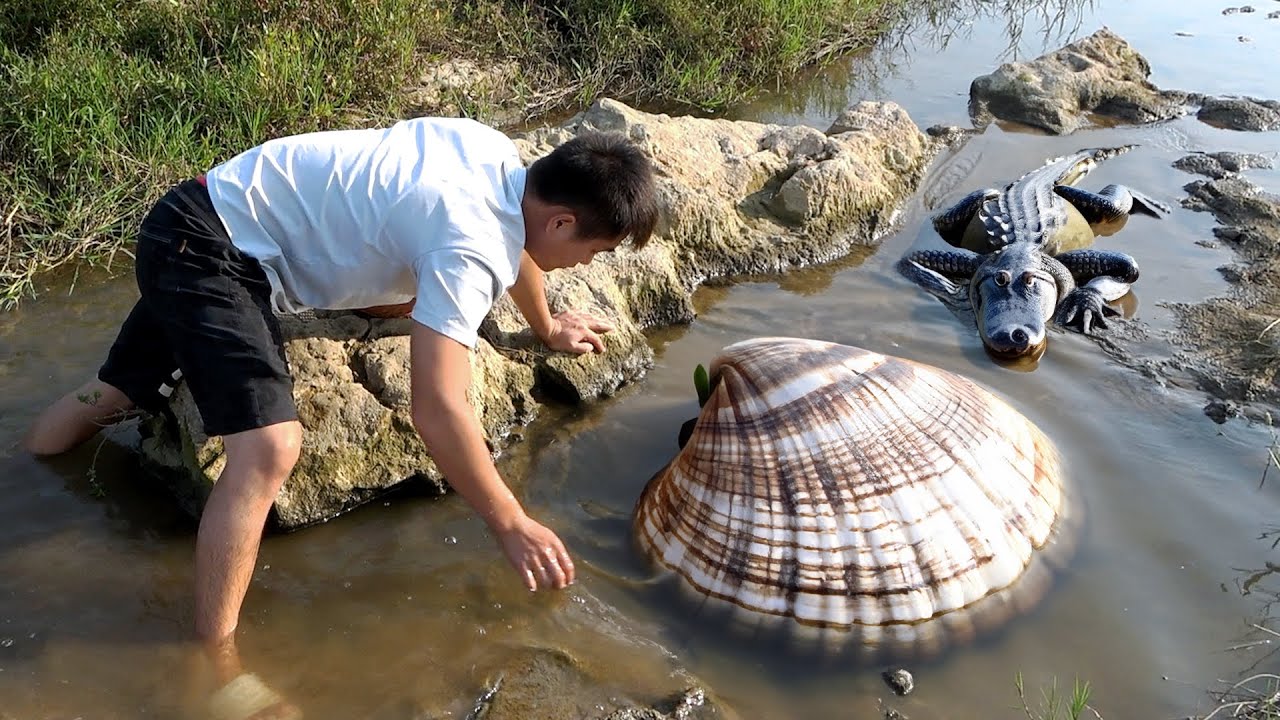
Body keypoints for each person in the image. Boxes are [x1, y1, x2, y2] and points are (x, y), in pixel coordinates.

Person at [23, 117, 659, 718]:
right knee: (269, 449)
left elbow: (514, 243)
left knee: (112, 394)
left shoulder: (492, 154)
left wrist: (546, 327)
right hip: (216, 258)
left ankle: (28, 472)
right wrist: (510, 521)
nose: (587, 264)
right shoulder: (470, 248)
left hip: (192, 215)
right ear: (562, 220)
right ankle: (213, 663)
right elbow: (438, 408)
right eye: (594, 250)